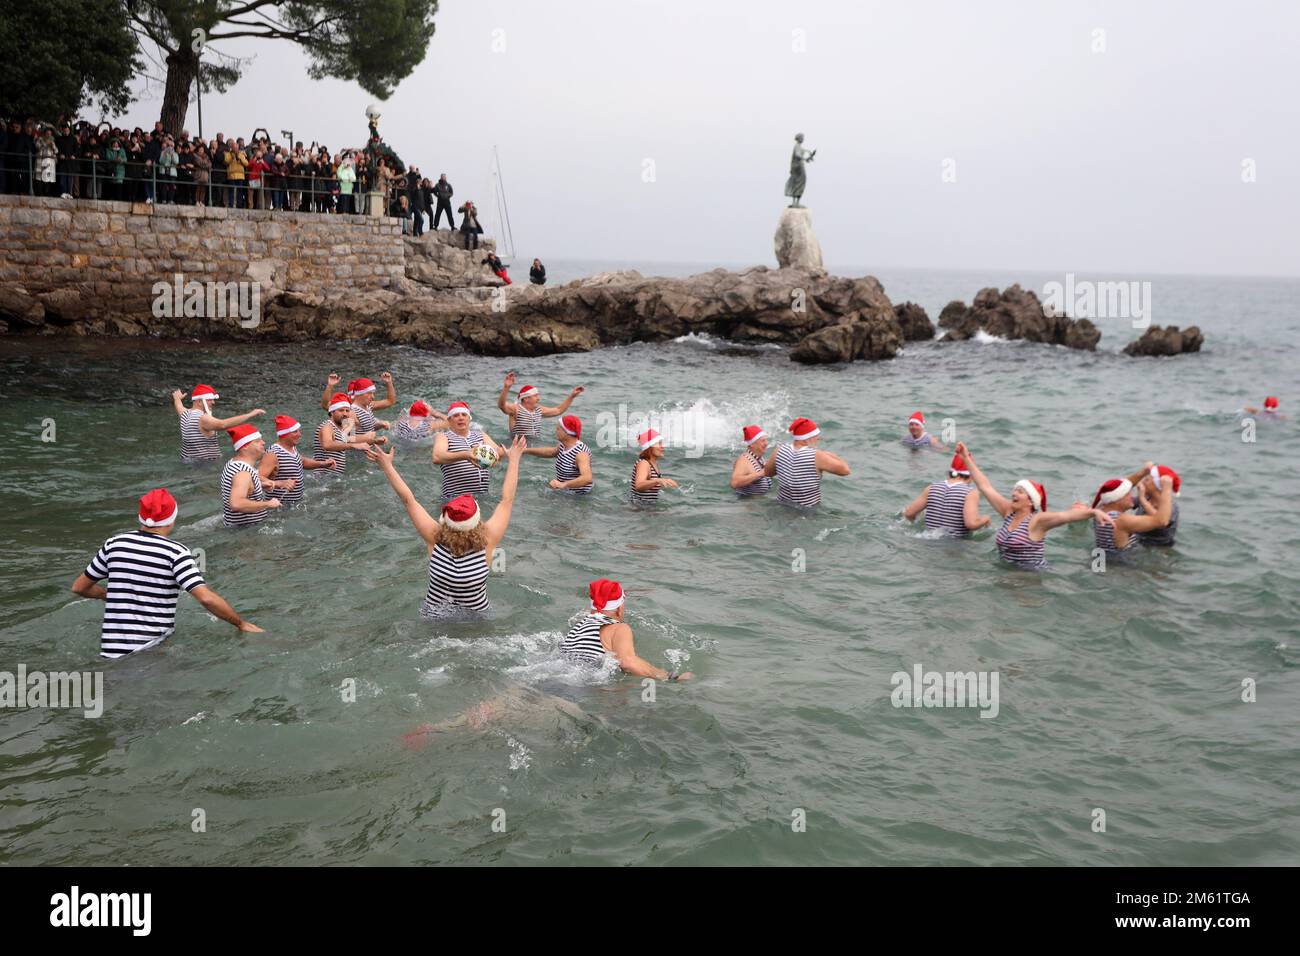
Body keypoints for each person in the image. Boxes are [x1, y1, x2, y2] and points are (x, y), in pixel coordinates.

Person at [71, 488, 262, 658]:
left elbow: (79, 587)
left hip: (110, 650)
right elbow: (206, 598)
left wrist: (110, 596)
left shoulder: (114, 544)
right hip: (149, 651)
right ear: (172, 519)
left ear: (141, 516)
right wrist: (240, 623)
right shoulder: (176, 552)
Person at [367, 437, 527, 616]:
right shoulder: (488, 540)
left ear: (445, 518)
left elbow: (408, 500)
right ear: (476, 519)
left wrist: (387, 465)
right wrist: (514, 459)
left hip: (434, 616)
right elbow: (507, 500)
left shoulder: (435, 537)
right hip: (477, 618)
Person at [955, 442, 1109, 570]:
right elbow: (985, 487)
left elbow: (1065, 516)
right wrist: (966, 459)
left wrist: (1093, 512)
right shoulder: (1009, 512)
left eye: (1020, 491)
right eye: (1014, 489)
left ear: (1030, 501)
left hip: (1030, 577)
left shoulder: (1037, 521)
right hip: (1007, 573)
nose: (1014, 493)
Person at [561, 579, 692, 680]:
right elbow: (628, 663)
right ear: (619, 608)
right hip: (582, 687)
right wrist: (667, 676)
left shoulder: (578, 625)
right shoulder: (619, 628)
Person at [764, 417, 851, 507]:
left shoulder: (779, 450)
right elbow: (846, 471)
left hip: (782, 505)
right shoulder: (817, 456)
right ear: (806, 438)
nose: (818, 438)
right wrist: (830, 455)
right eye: (816, 436)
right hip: (807, 510)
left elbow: (767, 473)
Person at [902, 453, 991, 537]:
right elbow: (971, 524)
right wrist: (985, 519)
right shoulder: (970, 492)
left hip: (927, 540)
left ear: (950, 472)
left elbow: (909, 513)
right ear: (972, 474)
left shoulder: (931, 488)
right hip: (953, 545)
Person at [170, 385, 264, 463]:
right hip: (205, 464)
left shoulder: (184, 413)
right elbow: (223, 424)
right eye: (210, 400)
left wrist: (177, 398)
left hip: (187, 461)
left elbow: (179, 405)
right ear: (199, 401)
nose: (213, 402)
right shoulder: (203, 418)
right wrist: (250, 414)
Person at [433, 401, 505, 502]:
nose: (461, 418)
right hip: (454, 498)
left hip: (482, 496)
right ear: (449, 420)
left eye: (464, 414)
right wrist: (466, 454)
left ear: (469, 418)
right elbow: (437, 457)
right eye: (456, 415)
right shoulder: (444, 436)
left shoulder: (481, 435)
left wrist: (499, 454)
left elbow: (498, 451)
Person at [259, 415, 337, 506]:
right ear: (285, 434)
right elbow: (258, 478)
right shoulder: (273, 454)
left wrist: (323, 464)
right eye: (295, 431)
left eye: (299, 431)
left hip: (295, 503)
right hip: (279, 507)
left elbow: (301, 461)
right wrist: (279, 483)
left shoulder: (291, 447)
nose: (300, 434)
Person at [1089, 475, 1173, 559]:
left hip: (1107, 562)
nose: (1131, 497)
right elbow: (1162, 521)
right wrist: (1167, 489)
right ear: (1118, 499)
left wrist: (1144, 471)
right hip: (1125, 567)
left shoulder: (1100, 511)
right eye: (1127, 494)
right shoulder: (1121, 520)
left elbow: (1113, 487)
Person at [221, 425, 288, 527]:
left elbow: (240, 488)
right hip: (246, 531)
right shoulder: (243, 471)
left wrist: (259, 486)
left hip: (242, 527)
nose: (263, 443)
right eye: (257, 441)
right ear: (244, 446)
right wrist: (267, 504)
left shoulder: (234, 463)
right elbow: (236, 504)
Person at [495, 372, 584, 440]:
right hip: (515, 444)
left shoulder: (538, 409)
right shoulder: (516, 409)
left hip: (534, 443)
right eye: (535, 396)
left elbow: (558, 410)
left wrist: (572, 396)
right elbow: (501, 405)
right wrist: (506, 387)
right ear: (526, 399)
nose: (538, 398)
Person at [313, 392, 387, 473]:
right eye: (341, 410)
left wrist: (375, 441)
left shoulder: (342, 427)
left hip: (335, 475)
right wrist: (353, 446)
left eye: (347, 411)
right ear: (331, 412)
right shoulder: (327, 426)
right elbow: (327, 444)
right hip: (323, 476)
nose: (345, 414)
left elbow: (351, 440)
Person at [524, 415, 593, 494]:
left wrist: (563, 484)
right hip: (566, 493)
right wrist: (525, 450)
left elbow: (587, 478)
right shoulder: (563, 446)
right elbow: (551, 452)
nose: (555, 431)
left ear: (567, 432)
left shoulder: (581, 453)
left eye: (558, 429)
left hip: (579, 497)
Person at [1119, 462, 1182, 547]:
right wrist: (1141, 473)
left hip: (1159, 549)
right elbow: (1119, 496)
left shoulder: (1171, 507)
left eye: (1147, 479)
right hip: (1140, 542)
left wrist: (1142, 499)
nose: (1143, 482)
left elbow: (1161, 521)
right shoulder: (1147, 498)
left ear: (1157, 486)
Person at [319, 371, 397, 435]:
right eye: (369, 393)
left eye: (373, 393)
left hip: (368, 449)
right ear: (358, 394)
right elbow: (349, 440)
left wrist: (380, 425)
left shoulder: (368, 405)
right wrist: (330, 385)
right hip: (358, 452)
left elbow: (390, 401)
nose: (373, 396)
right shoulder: (349, 412)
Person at [630, 429, 678, 505]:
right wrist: (658, 480)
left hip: (646, 507)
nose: (662, 446)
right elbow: (638, 485)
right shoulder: (644, 463)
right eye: (659, 443)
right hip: (638, 509)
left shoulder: (653, 464)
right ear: (649, 447)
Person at [730, 425, 772, 496]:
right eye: (763, 441)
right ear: (752, 444)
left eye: (766, 440)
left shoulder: (759, 459)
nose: (766, 443)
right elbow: (734, 482)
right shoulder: (744, 460)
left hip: (756, 504)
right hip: (746, 504)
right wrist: (760, 473)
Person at [784, 132, 816, 208]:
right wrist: (804, 158)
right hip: (797, 167)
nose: (803, 139)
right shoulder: (797, 146)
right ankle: (795, 202)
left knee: (801, 182)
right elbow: (797, 155)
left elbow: (803, 153)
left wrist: (809, 156)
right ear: (799, 138)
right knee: (798, 182)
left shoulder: (800, 147)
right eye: (802, 137)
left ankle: (797, 202)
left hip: (800, 166)